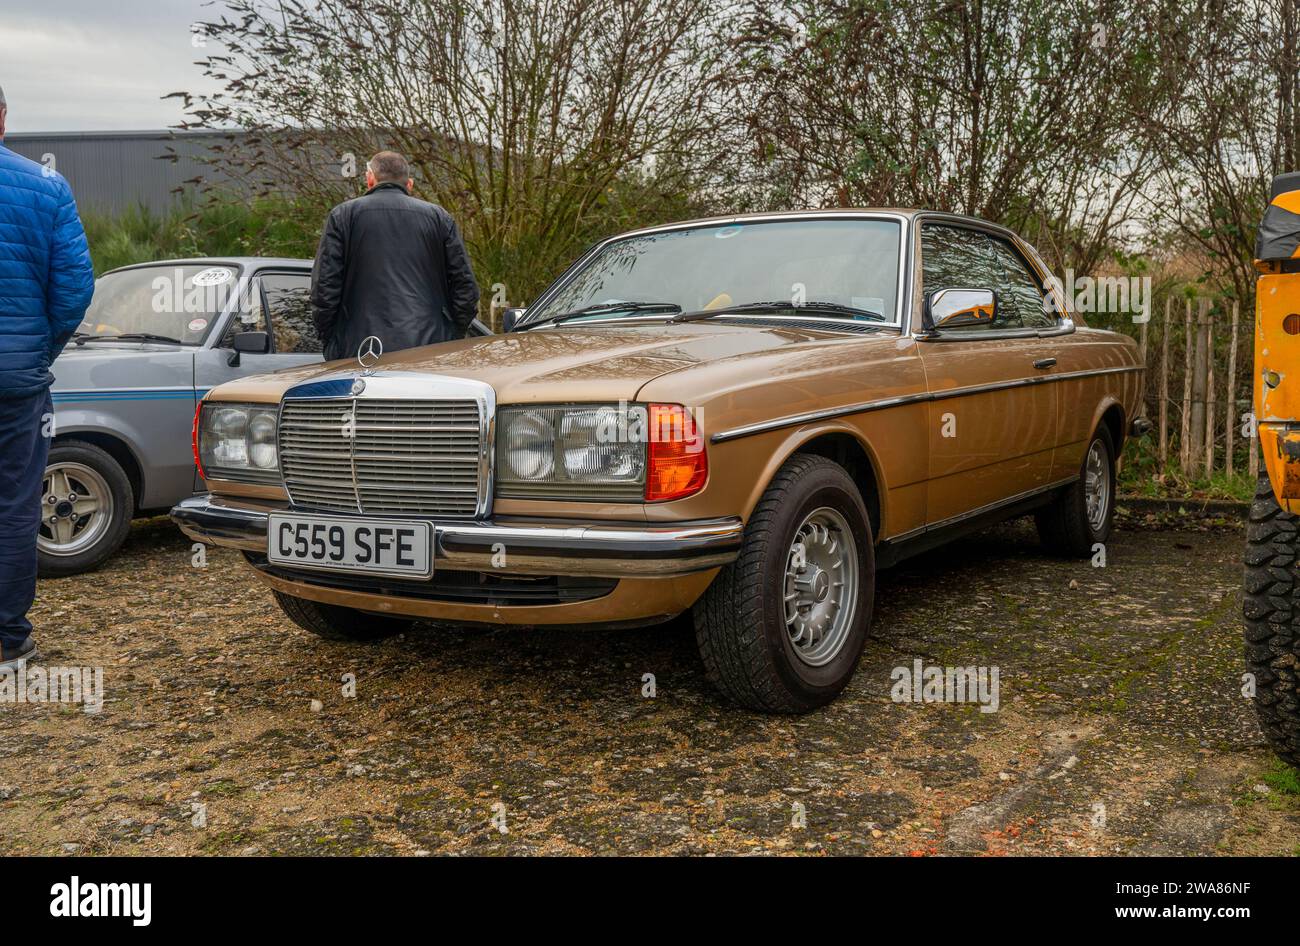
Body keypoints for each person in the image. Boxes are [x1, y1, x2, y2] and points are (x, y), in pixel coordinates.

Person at [0, 82, 96, 670]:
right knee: (14, 505)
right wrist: (38, 353)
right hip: (16, 382)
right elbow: (73, 291)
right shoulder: (46, 186)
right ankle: (9, 641)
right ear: (3, 117)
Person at [311, 151, 480, 360]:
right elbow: (466, 289)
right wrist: (450, 334)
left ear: (370, 178)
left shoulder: (343, 216)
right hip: (428, 351)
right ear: (409, 184)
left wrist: (332, 339)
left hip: (358, 350)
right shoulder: (439, 218)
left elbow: (324, 289)